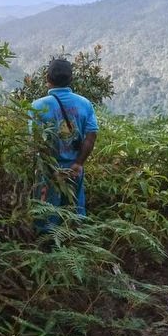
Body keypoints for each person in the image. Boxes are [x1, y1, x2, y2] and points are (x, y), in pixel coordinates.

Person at [29, 58, 98, 226]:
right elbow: (91, 135)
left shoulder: (38, 106)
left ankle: (48, 245)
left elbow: (35, 140)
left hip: (48, 170)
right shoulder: (84, 104)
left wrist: (50, 167)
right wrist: (78, 163)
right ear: (71, 78)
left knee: (46, 213)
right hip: (75, 168)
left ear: (47, 78)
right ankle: (76, 243)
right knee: (74, 211)